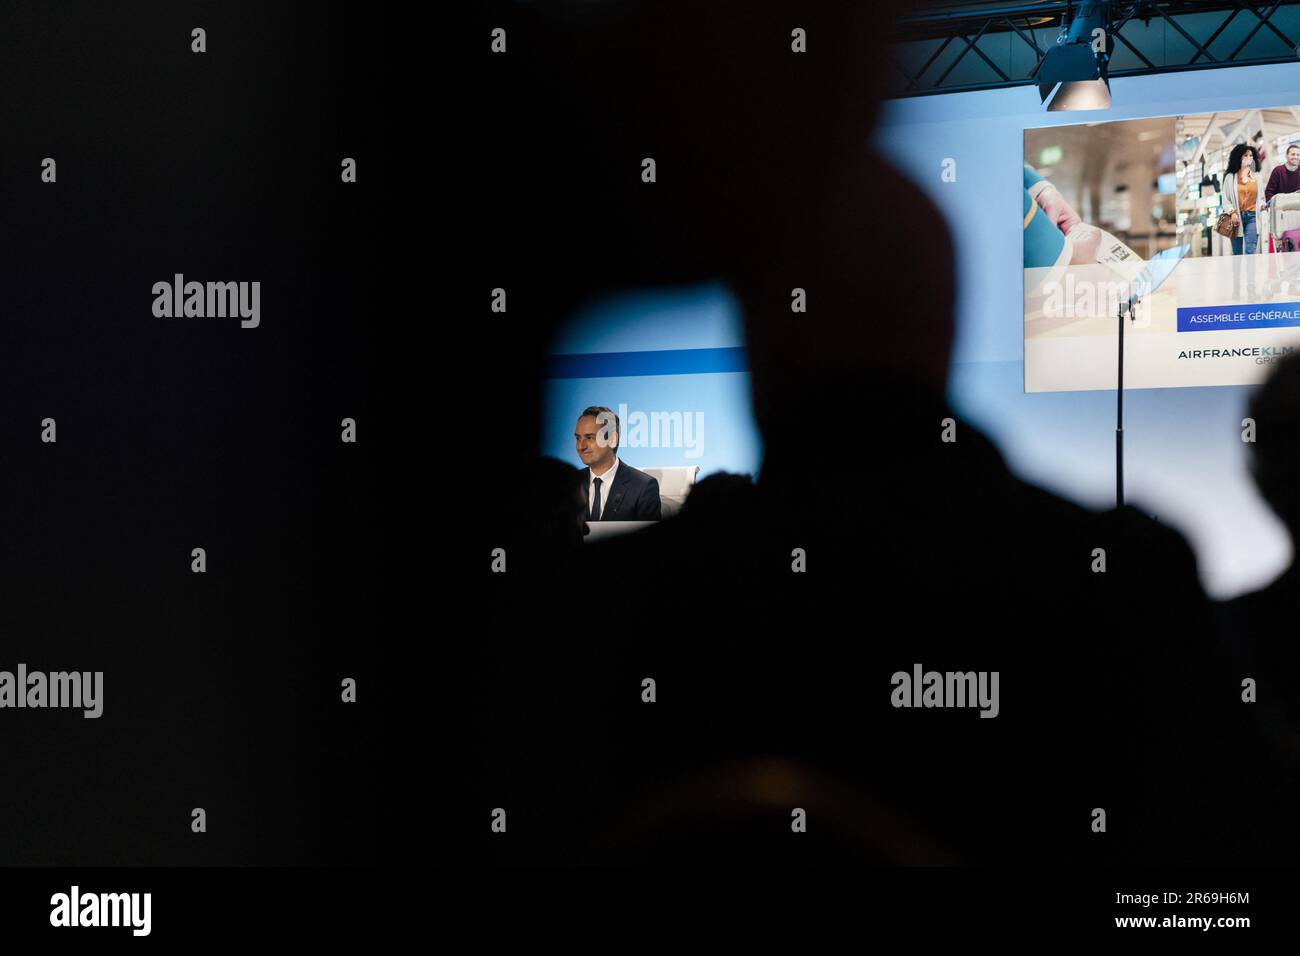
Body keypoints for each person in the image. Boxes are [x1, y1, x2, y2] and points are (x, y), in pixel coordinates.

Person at [574, 405, 661, 521]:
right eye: (578, 438)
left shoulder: (643, 487)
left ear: (612, 439)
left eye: (590, 438)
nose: (581, 446)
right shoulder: (568, 485)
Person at [1223, 143, 1264, 298]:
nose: (1248, 158)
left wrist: (1262, 205)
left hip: (1253, 217)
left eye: (1251, 155)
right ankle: (1236, 287)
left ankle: (1251, 288)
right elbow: (1225, 200)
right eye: (1245, 155)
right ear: (1238, 157)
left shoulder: (1257, 177)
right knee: (1237, 255)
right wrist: (1232, 212)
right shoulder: (1230, 177)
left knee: (1250, 253)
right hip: (1236, 220)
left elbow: (1260, 198)